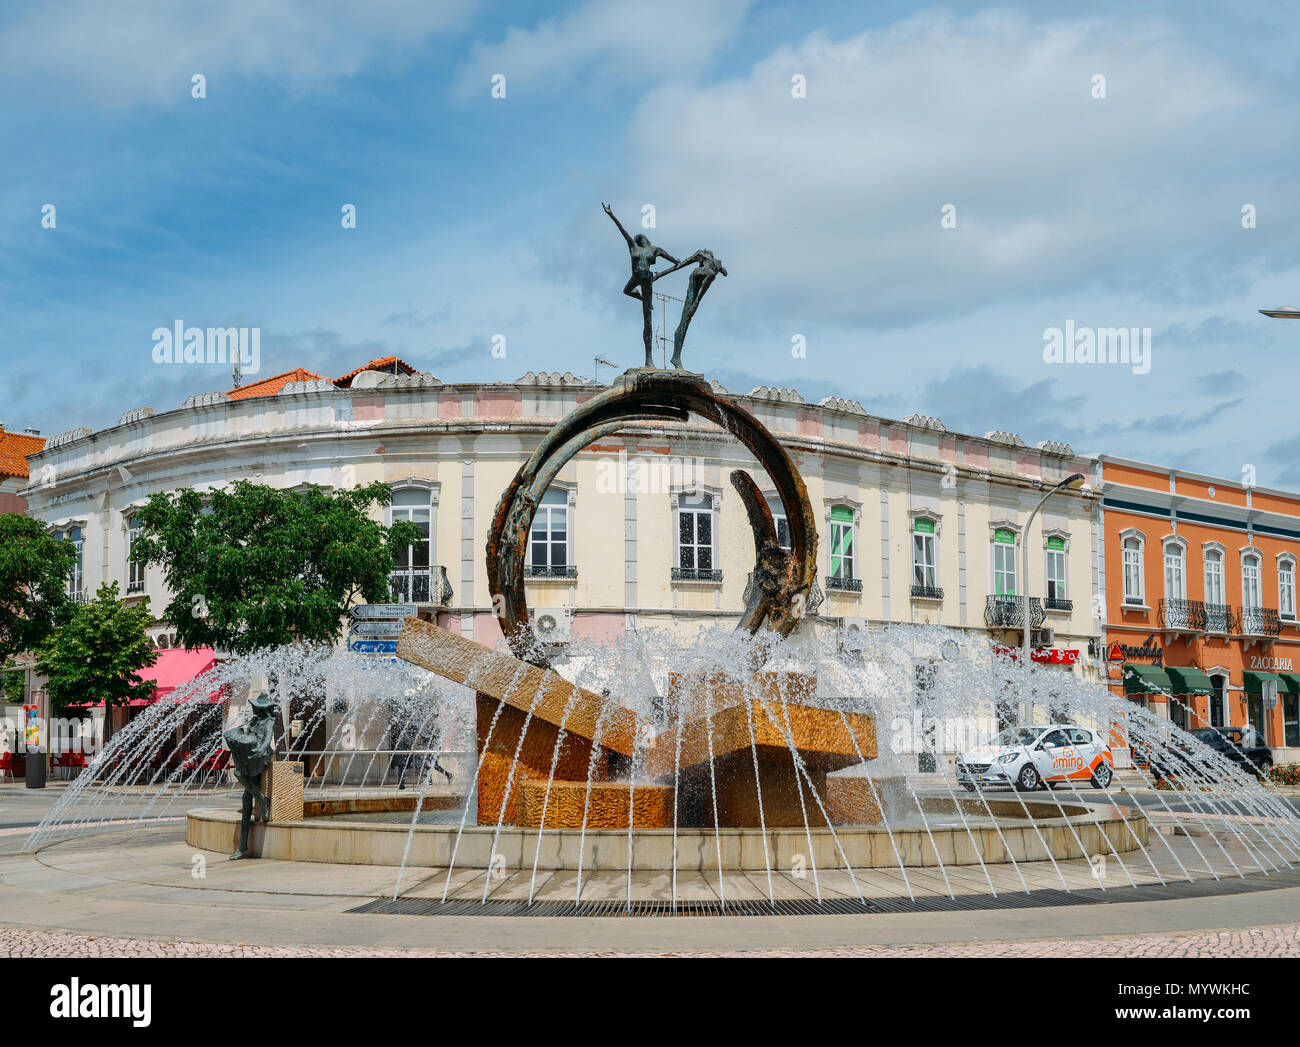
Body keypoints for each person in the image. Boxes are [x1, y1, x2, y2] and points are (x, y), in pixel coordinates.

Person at [603, 203, 679, 367]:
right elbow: (623, 231)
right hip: (636, 277)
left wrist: (677, 262)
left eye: (642, 237)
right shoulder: (633, 247)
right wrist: (611, 214)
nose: (640, 237)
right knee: (626, 290)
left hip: (646, 279)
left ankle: (649, 359)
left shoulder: (654, 249)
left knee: (647, 319)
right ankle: (642, 298)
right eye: (639, 237)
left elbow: (669, 256)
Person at [669, 249, 727, 369]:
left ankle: (676, 356)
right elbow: (685, 263)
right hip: (697, 277)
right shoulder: (701, 254)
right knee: (686, 316)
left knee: (687, 319)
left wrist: (721, 269)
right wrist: (675, 264)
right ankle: (696, 302)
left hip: (703, 278)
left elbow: (725, 273)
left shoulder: (716, 262)